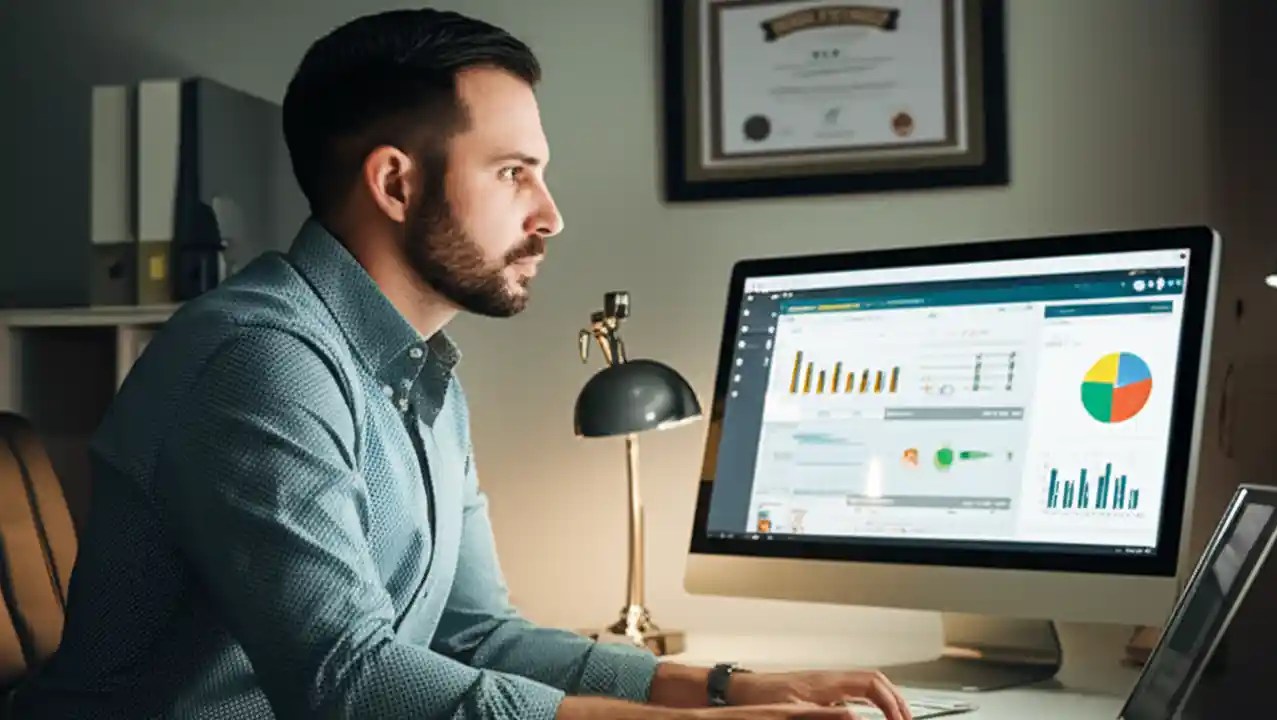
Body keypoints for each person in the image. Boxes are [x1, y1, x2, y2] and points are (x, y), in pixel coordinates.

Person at [7, 9, 912, 720]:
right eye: (515, 172)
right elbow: (349, 683)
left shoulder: (421, 374)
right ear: (396, 183)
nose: (550, 214)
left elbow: (474, 636)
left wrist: (725, 687)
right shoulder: (260, 361)